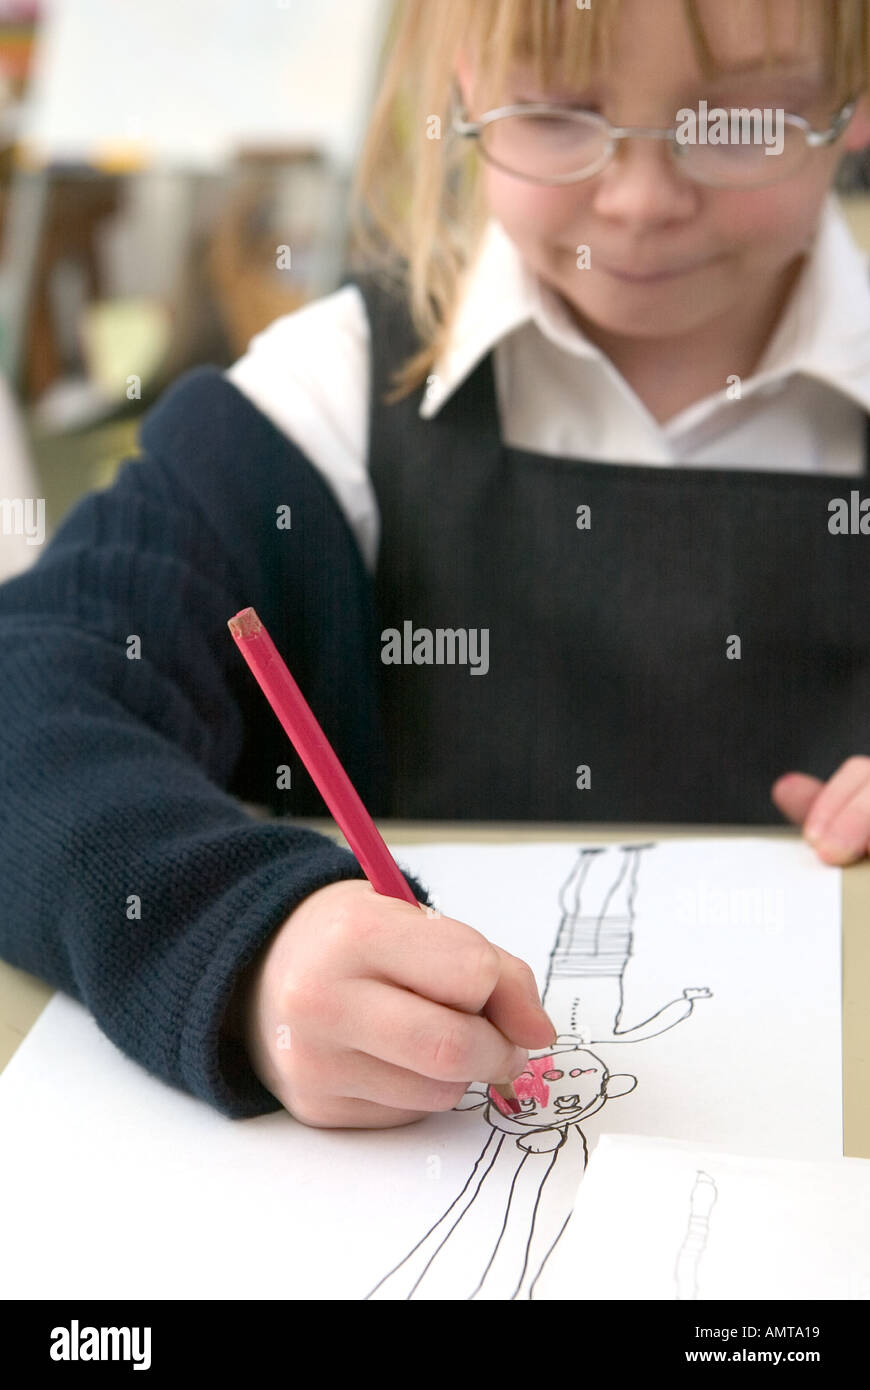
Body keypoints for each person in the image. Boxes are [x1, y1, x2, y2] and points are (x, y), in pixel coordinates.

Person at [1, 0, 868, 1132]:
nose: (644, 200)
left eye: (746, 118)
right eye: (558, 115)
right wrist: (249, 938)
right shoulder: (328, 402)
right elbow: (25, 697)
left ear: (849, 101)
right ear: (461, 86)